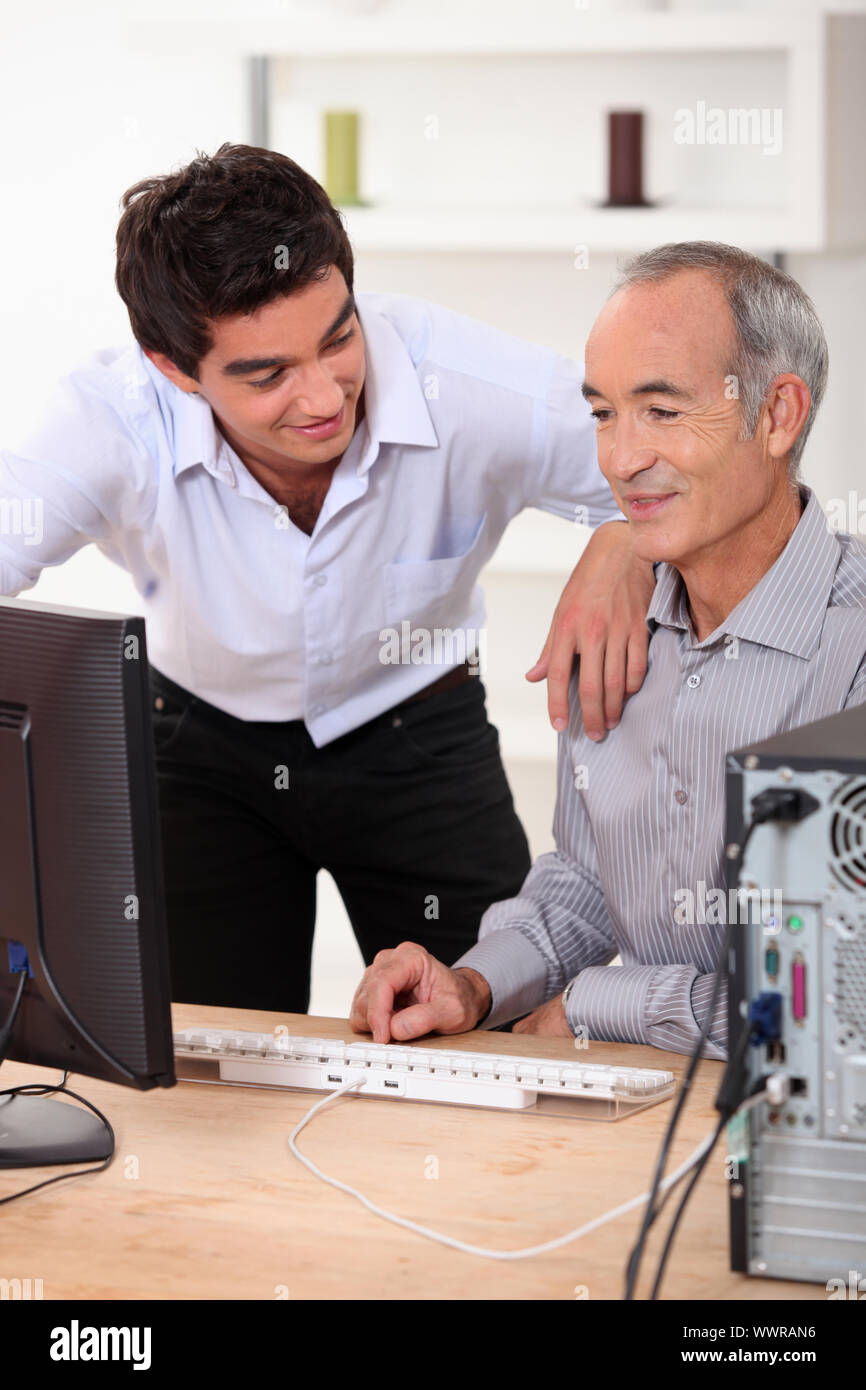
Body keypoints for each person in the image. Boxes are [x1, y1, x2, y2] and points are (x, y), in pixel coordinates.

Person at [0, 143, 654, 1013]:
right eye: (266, 374)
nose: (321, 398)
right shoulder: (109, 421)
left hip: (421, 738)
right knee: (202, 1062)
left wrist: (625, 541)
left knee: (496, 1032)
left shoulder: (464, 382)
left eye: (337, 339)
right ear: (172, 368)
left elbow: (683, 467)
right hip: (197, 749)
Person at [350, 240, 866, 1059]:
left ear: (777, 414)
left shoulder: (856, 654)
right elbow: (589, 880)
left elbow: (835, 1009)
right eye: (602, 413)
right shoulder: (615, 627)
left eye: (662, 411)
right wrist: (473, 985)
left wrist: (599, 1002)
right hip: (637, 1128)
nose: (621, 460)